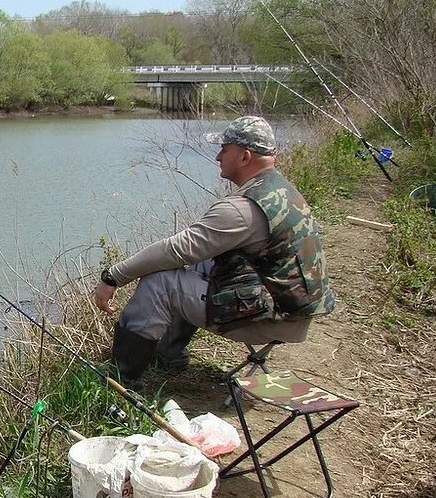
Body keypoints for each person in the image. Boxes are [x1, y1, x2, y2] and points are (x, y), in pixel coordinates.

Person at [92, 115, 336, 388]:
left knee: (159, 282)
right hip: (291, 308)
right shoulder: (279, 188)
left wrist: (113, 276)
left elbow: (177, 249)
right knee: (199, 263)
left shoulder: (243, 209)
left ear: (244, 157)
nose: (218, 157)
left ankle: (121, 380)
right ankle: (169, 352)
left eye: (224, 149)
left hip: (274, 318)